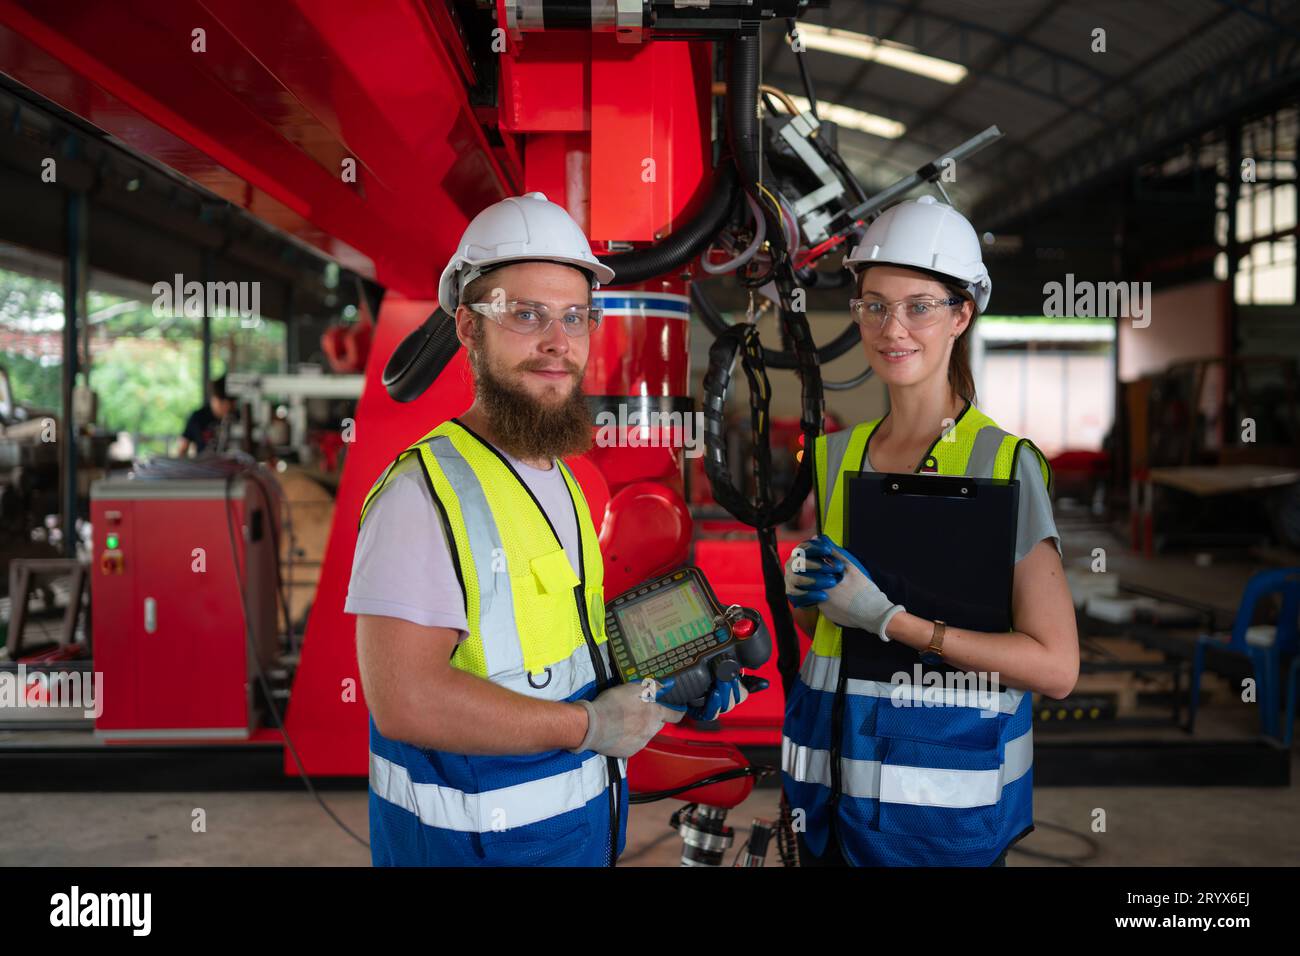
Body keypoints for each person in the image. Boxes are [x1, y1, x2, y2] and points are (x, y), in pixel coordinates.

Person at [348, 193, 749, 867]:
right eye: (525, 315)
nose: (557, 343)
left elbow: (557, 657)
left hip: (571, 841)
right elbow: (405, 701)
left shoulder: (561, 480)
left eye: (574, 317)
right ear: (469, 329)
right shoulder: (421, 496)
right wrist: (590, 727)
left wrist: (664, 687)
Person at [782, 195, 1080, 867]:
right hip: (831, 813)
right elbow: (830, 637)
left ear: (961, 315)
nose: (894, 328)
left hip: (940, 829)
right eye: (875, 305)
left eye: (920, 305)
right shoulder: (835, 459)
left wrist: (896, 622)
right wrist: (808, 597)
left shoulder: (1005, 466)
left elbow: (1056, 668)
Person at [176, 374, 234, 456]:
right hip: (204, 466)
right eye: (224, 404)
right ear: (215, 399)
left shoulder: (236, 417)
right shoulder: (198, 417)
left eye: (231, 404)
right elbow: (182, 450)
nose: (228, 408)